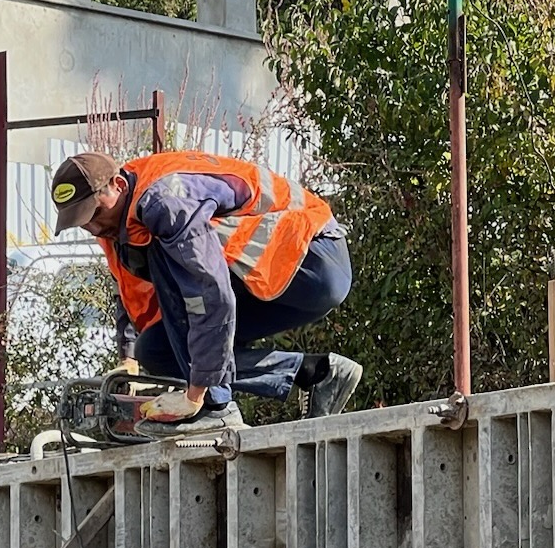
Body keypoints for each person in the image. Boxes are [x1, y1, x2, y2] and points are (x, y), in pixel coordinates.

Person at [52, 148, 361, 429]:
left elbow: (209, 294)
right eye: (81, 220)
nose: (91, 226)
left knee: (168, 260)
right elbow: (129, 287)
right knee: (157, 350)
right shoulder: (117, 220)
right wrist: (129, 358)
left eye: (93, 213)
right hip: (274, 272)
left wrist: (196, 395)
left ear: (117, 185)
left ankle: (216, 409)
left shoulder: (163, 201)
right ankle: (317, 372)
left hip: (313, 256)